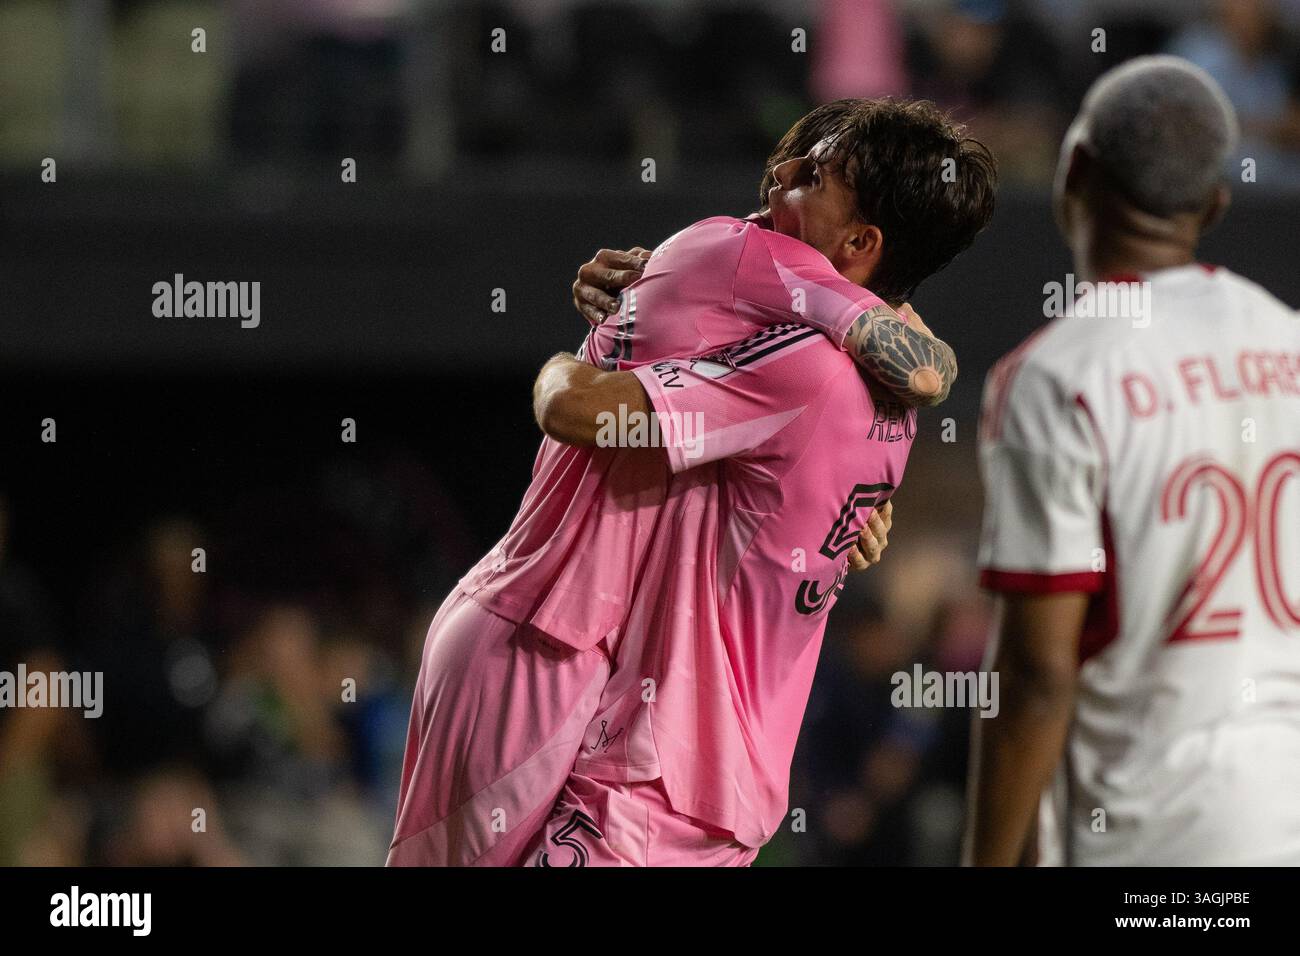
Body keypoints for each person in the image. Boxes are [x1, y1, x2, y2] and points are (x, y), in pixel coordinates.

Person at [388, 99, 996, 866]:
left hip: (630, 721)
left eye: (813, 176)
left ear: (860, 241)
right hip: (636, 719)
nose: (777, 179)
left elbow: (572, 407)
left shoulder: (767, 308)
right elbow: (923, 371)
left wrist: (573, 360)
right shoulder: (882, 391)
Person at [965, 55, 1300, 866]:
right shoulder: (1290, 340)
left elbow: (1037, 676)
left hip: (1144, 835)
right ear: (1215, 204)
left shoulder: (1057, 374)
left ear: (1074, 170)